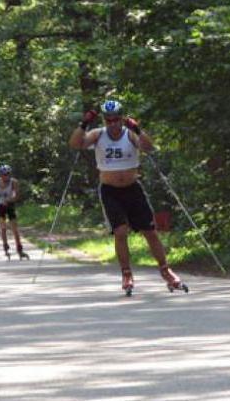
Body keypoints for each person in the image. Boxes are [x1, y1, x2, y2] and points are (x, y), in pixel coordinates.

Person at [68, 99, 188, 296]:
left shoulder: (130, 135)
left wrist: (138, 129)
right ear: (105, 120)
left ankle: (166, 271)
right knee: (120, 231)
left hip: (133, 189)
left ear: (122, 118)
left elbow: (149, 147)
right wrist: (83, 124)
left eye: (116, 119)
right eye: (109, 120)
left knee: (150, 231)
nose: (113, 123)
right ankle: (126, 274)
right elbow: (76, 144)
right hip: (110, 191)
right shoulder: (98, 134)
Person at [0, 164, 30, 261]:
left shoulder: (14, 182)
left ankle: (19, 249)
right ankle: (5, 247)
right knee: (3, 228)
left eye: (7, 174)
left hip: (10, 205)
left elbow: (16, 195)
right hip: (0, 206)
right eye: (4, 174)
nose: (6, 176)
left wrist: (10, 199)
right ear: (0, 175)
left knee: (15, 228)